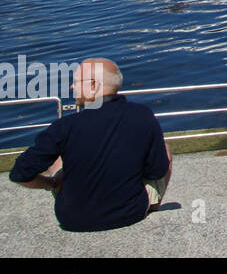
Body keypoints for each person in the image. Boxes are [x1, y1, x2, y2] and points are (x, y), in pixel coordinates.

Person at [8, 58, 171, 232]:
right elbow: (157, 170)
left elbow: (20, 174)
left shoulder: (65, 127)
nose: (72, 87)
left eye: (76, 82)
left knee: (57, 160)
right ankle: (153, 205)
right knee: (165, 149)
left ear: (93, 85)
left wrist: (52, 184)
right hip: (131, 213)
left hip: (73, 220)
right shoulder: (143, 115)